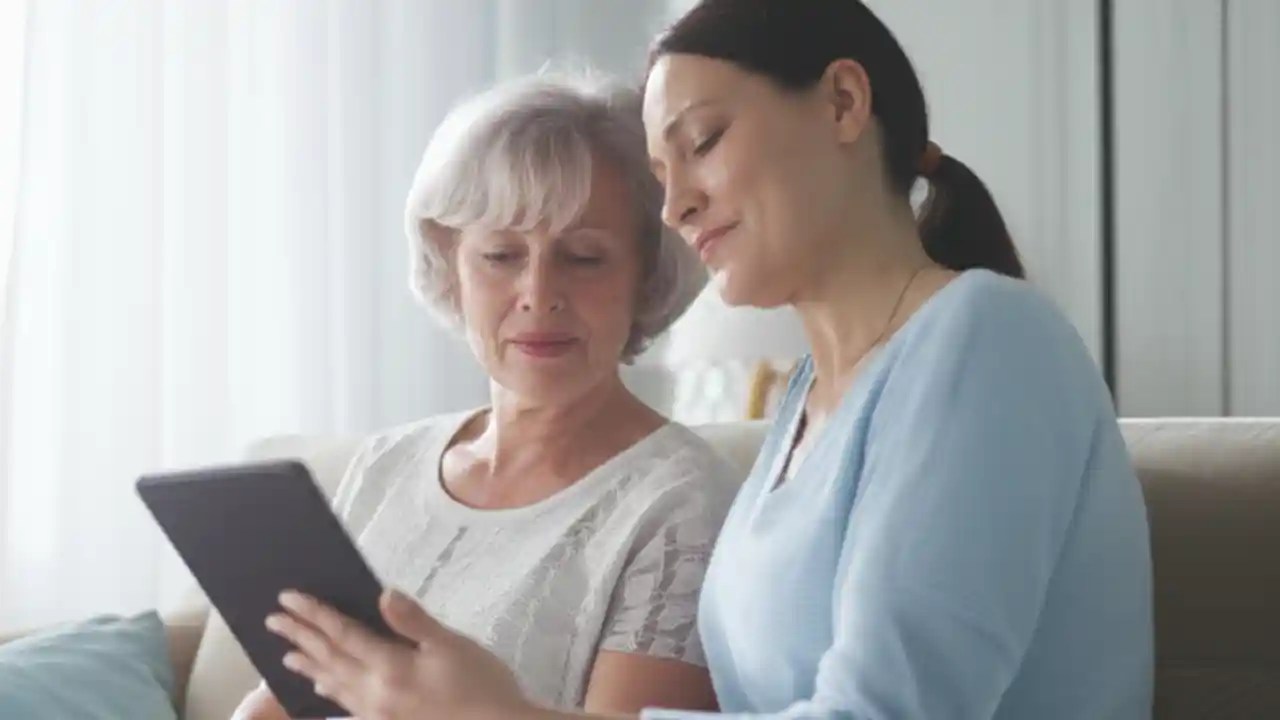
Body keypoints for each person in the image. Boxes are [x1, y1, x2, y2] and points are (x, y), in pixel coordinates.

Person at [263, 1, 1155, 718]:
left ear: (844, 102)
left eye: (702, 143)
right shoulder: (807, 403)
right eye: (662, 174)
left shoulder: (990, 340)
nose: (676, 207)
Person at [231, 72, 739, 719]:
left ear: (647, 274)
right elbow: (286, 699)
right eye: (500, 255)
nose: (538, 293)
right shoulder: (385, 467)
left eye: (583, 257)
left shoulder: (685, 505)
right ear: (452, 268)